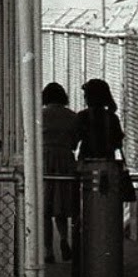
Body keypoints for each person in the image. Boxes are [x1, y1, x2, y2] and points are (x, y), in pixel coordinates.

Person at [41, 82, 80, 263]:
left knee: (44, 208)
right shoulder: (72, 116)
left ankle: (48, 250)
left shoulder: (40, 115)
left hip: (44, 159)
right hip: (65, 159)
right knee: (61, 205)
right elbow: (74, 143)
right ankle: (64, 239)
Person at [76, 78, 124, 161]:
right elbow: (118, 143)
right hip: (107, 161)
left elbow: (75, 139)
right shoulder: (112, 117)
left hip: (86, 161)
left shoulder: (82, 116)